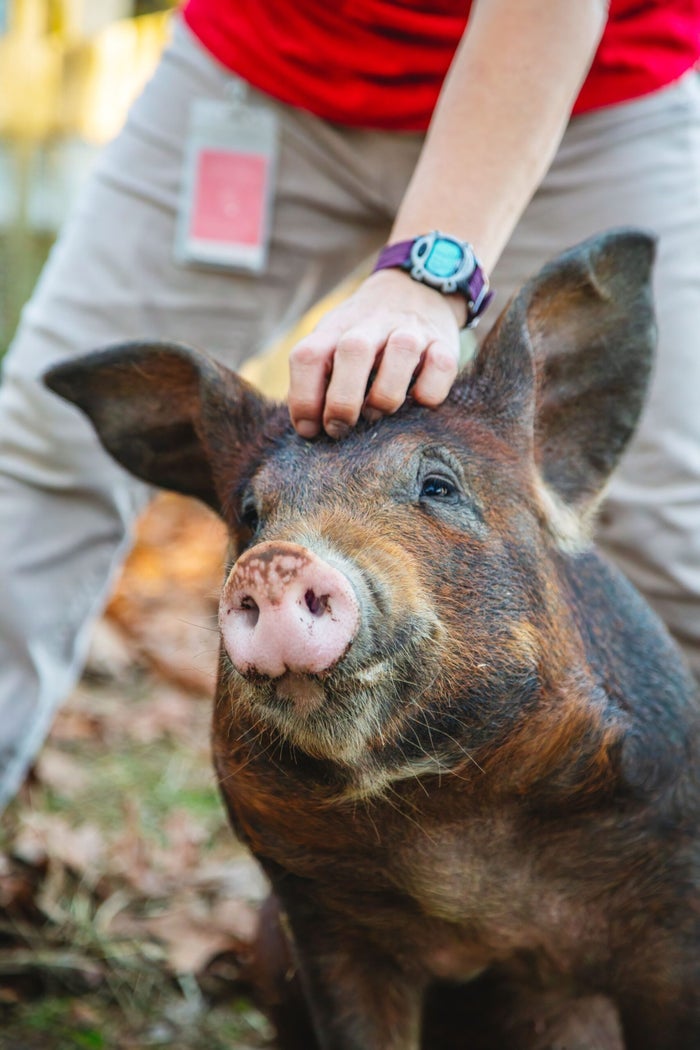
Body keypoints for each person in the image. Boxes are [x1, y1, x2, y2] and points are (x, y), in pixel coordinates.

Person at [1, 0, 699, 811]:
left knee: (671, 525)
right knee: (44, 442)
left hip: (587, 92)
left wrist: (430, 270)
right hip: (271, 71)